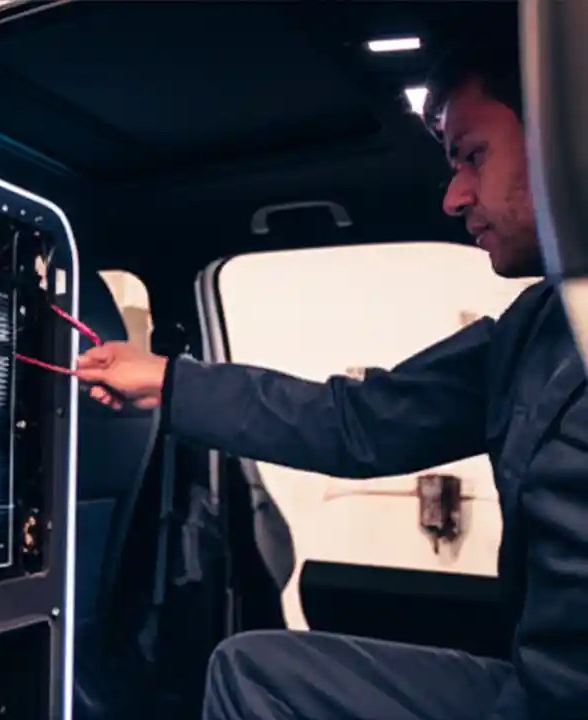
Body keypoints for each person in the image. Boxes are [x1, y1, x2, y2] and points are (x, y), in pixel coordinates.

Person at [75, 33, 588, 720]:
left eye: (473, 155)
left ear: (565, 142)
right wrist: (170, 383)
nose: (453, 196)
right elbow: (357, 422)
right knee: (253, 672)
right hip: (540, 690)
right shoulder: (535, 329)